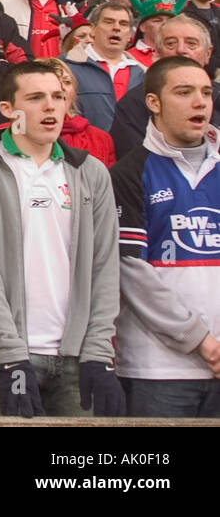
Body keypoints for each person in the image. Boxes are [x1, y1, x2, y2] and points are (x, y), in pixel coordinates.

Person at [0, 61, 123, 418]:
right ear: (7, 109)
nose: (51, 106)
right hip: (0, 354)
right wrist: (10, 353)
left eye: (58, 97)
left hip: (78, 355)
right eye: (35, 98)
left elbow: (106, 265)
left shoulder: (91, 171)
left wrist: (98, 349)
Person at [113, 56, 220, 417]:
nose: (200, 102)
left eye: (206, 92)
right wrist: (200, 341)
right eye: (184, 92)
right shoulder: (130, 172)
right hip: (158, 370)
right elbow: (130, 271)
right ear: (154, 103)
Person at [111, 14, 220, 166]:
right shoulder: (133, 104)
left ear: (208, 53)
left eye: (191, 44)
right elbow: (137, 165)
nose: (181, 50)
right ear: (155, 54)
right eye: (170, 44)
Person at [63, 2, 143, 133]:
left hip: (131, 151)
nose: (116, 28)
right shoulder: (66, 66)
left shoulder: (143, 74)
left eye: (123, 24)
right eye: (109, 22)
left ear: (130, 35)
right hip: (83, 150)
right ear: (93, 30)